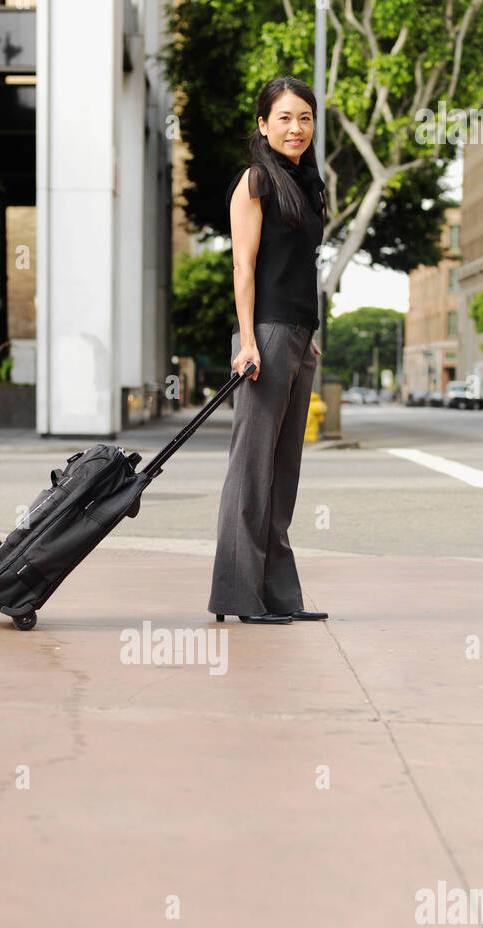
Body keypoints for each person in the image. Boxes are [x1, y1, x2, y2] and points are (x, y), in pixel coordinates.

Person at [208, 75, 329, 626]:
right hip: (266, 336)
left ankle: (278, 595)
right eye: (284, 117)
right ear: (262, 124)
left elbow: (302, 267)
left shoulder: (306, 183)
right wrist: (248, 339)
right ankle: (238, 597)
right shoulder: (255, 181)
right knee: (251, 470)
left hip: (298, 336)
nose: (296, 127)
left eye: (304, 118)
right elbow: (244, 265)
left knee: (284, 472)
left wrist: (311, 337)